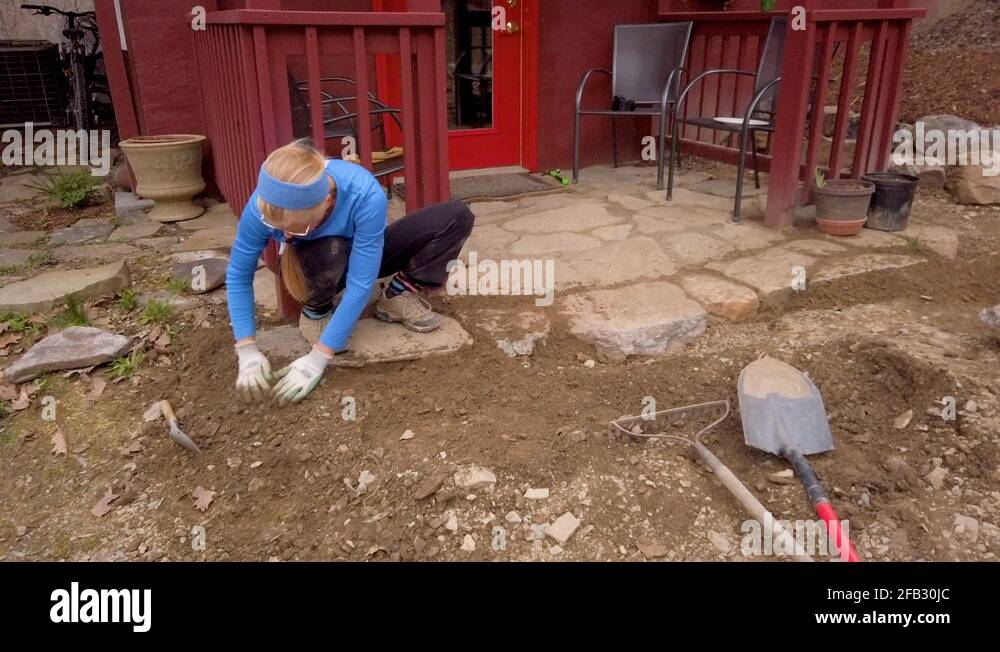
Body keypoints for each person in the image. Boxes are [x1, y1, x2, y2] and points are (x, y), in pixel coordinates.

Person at [225, 140, 474, 405]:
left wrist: (319, 358)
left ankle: (398, 295)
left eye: (296, 229)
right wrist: (247, 348)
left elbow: (360, 283)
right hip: (312, 264)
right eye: (278, 228)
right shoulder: (263, 206)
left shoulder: (364, 193)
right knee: (330, 247)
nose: (285, 236)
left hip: (359, 254)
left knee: (456, 216)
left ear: (327, 201)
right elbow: (238, 274)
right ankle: (316, 311)